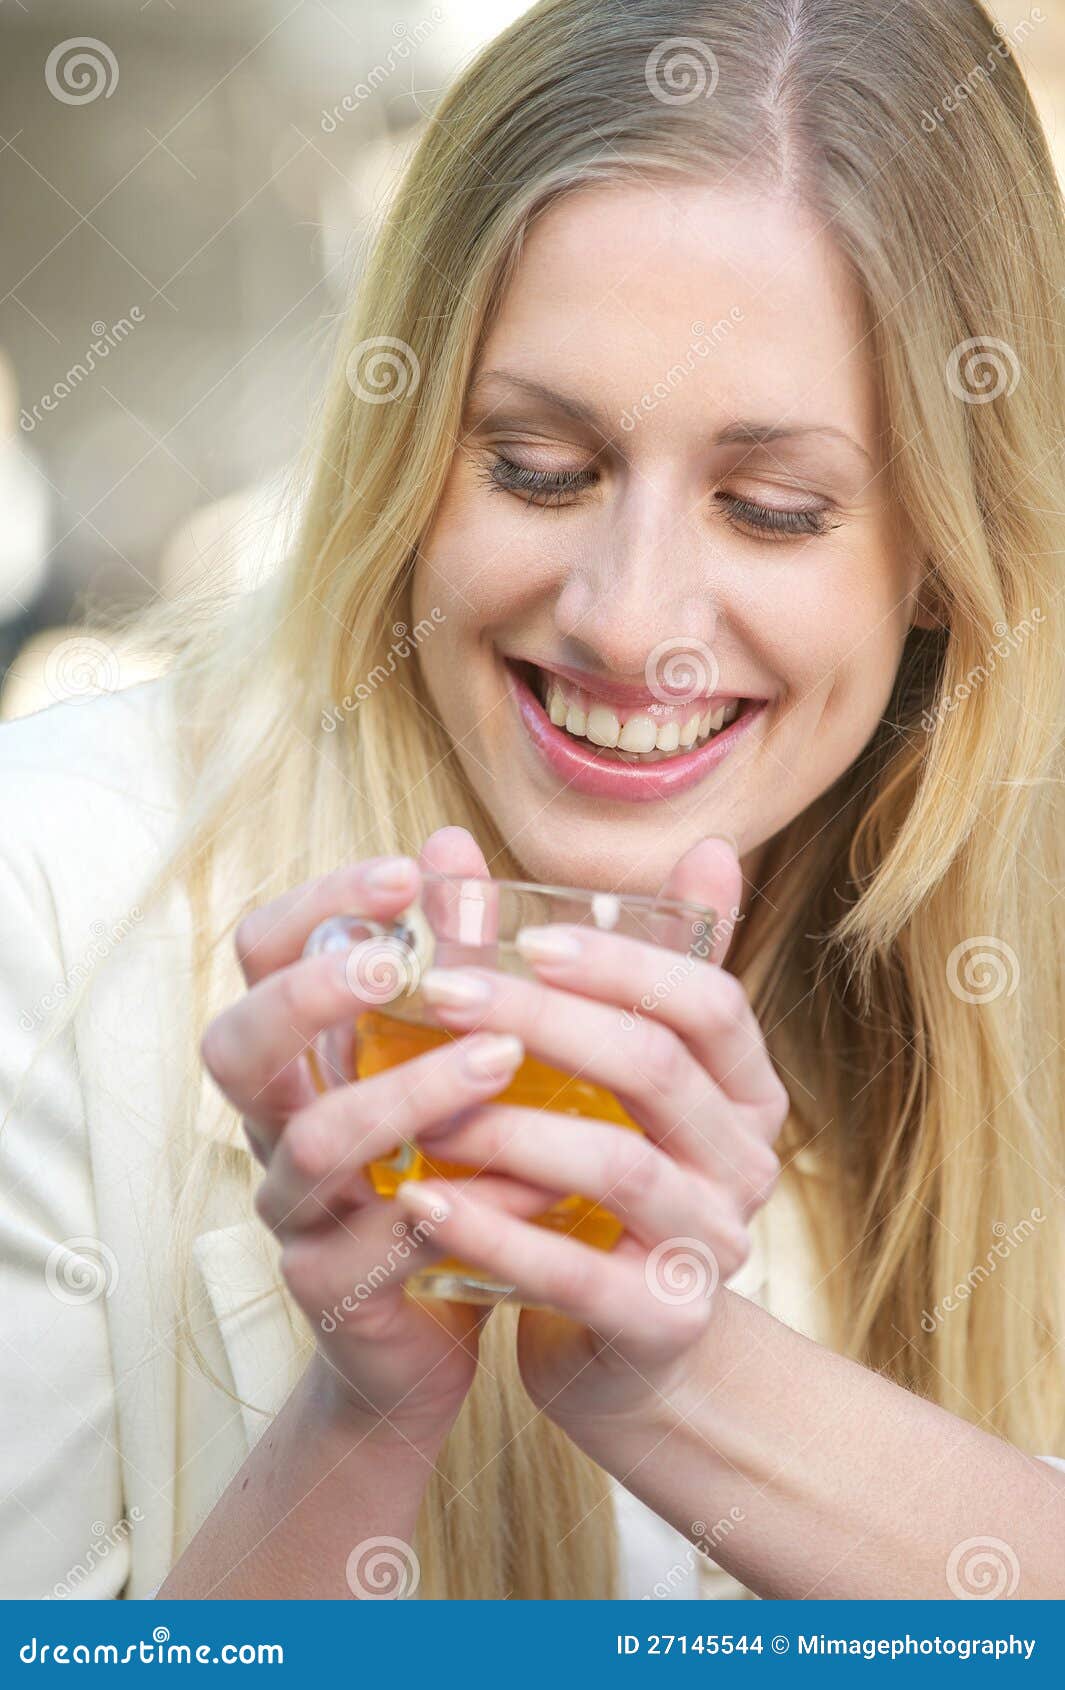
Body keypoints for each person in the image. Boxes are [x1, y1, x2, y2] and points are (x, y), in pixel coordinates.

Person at [2, 0, 1063, 1601]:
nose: (629, 621)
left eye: (770, 511)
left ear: (944, 553)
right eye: (536, 468)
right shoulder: (53, 890)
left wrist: (681, 1376)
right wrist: (364, 1410)